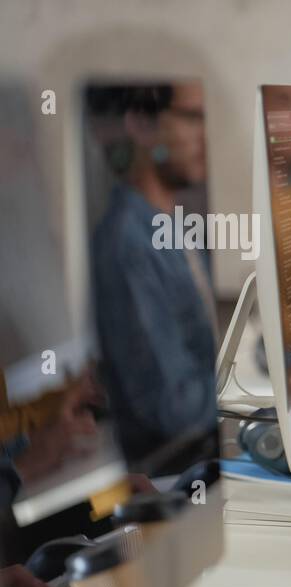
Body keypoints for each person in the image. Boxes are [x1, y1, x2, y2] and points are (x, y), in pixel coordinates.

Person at [86, 82, 218, 474]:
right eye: (193, 118)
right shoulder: (127, 240)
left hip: (209, 452)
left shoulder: (178, 224)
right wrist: (255, 393)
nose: (207, 135)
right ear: (142, 125)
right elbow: (173, 409)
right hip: (178, 475)